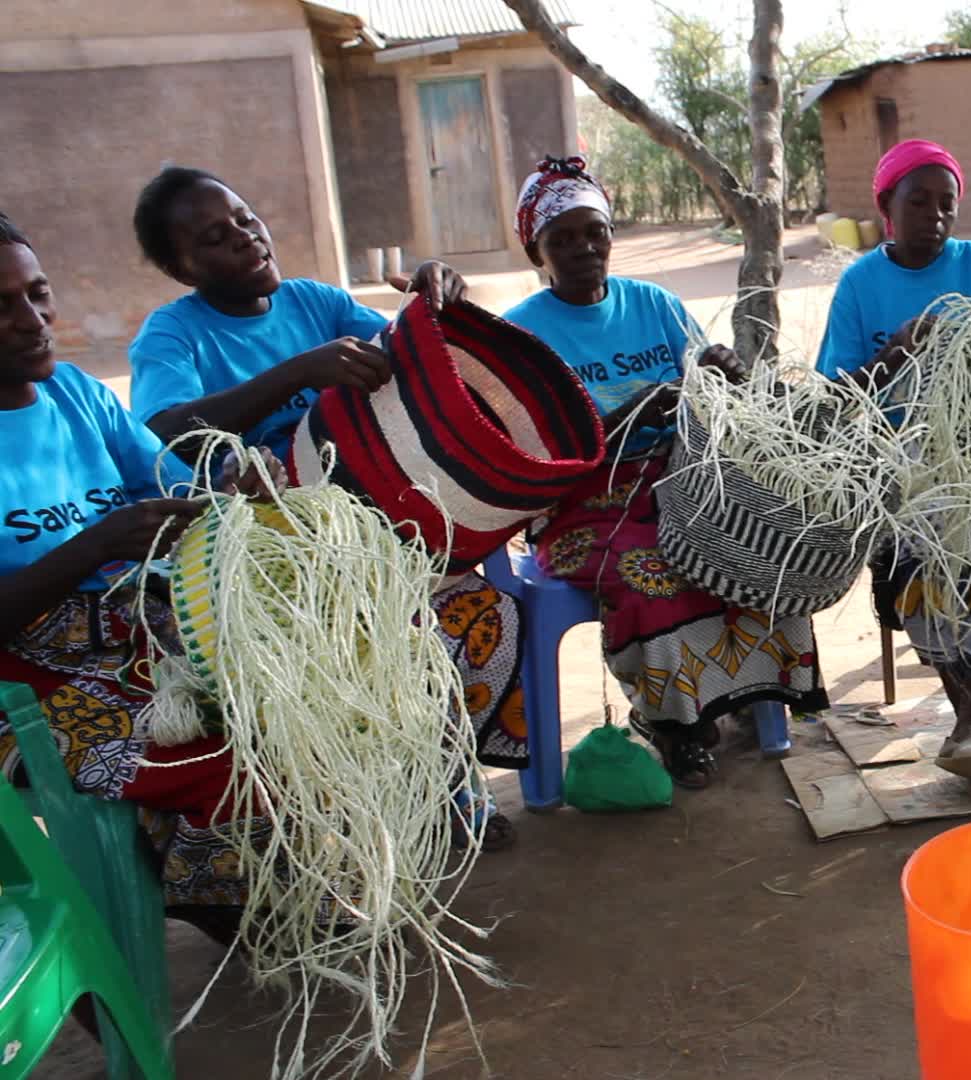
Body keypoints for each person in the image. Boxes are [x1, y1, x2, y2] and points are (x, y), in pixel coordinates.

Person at [125, 167, 525, 848]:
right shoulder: (172, 336)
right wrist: (299, 372)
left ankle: (451, 788)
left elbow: (413, 358)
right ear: (182, 268)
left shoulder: (316, 301)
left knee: (466, 617)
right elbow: (167, 431)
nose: (247, 240)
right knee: (362, 640)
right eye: (217, 239)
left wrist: (434, 300)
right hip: (271, 552)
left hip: (371, 527)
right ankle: (382, 811)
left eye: (247, 218)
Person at [504, 157, 829, 788]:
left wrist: (721, 372)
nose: (583, 248)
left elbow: (709, 400)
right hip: (581, 502)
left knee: (759, 545)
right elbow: (533, 453)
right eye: (561, 239)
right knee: (650, 572)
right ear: (535, 250)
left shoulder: (652, 303)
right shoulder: (521, 333)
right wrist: (626, 415)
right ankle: (675, 725)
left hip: (676, 474)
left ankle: (742, 699)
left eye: (593, 231)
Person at [0, 211, 279, 943]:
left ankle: (247, 895)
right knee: (217, 758)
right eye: (2, 307)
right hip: (22, 687)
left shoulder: (77, 396)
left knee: (290, 704)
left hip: (133, 640)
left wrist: (230, 483)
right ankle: (221, 908)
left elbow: (176, 488)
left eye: (37, 294)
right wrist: (95, 546)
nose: (32, 321)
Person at [816, 139, 971, 794]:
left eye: (946, 203)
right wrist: (896, 352)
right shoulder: (861, 284)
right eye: (917, 201)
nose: (934, 215)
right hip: (894, 462)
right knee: (918, 546)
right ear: (886, 208)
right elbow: (835, 397)